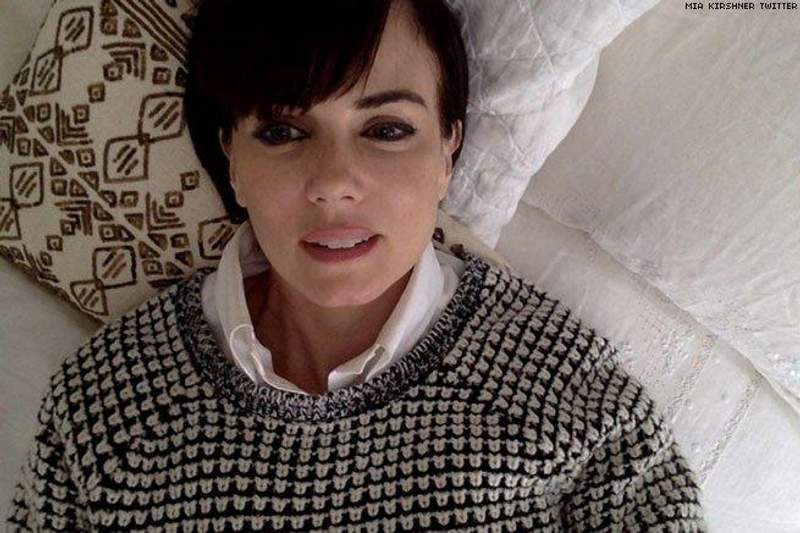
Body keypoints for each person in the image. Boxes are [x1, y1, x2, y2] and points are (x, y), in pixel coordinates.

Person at [6, 0, 708, 531]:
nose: (333, 181)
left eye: (386, 129)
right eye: (283, 131)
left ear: (447, 151)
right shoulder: (103, 414)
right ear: (232, 160)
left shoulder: (566, 396)